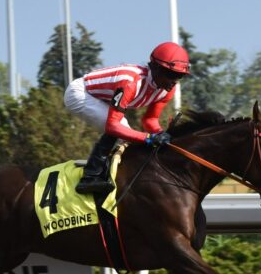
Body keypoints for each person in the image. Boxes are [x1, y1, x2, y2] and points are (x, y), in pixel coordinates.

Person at [64, 41, 190, 194]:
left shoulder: (167, 90)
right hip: (80, 94)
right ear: (155, 67)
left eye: (180, 76)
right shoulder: (130, 82)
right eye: (171, 75)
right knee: (122, 127)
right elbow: (112, 126)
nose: (174, 82)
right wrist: (149, 138)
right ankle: (90, 176)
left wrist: (161, 134)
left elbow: (149, 120)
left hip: (102, 97)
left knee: (128, 132)